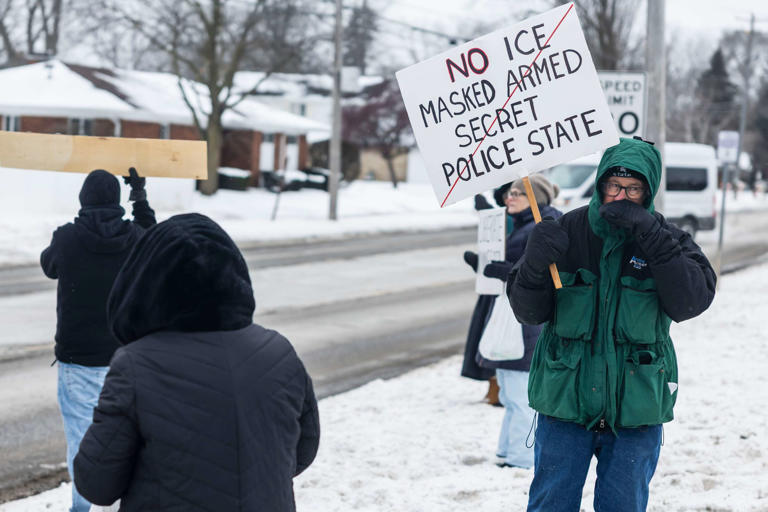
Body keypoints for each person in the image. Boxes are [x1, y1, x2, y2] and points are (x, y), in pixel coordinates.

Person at [509, 137, 716, 511]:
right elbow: (528, 312)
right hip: (564, 405)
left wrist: (652, 238)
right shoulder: (564, 232)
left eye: (634, 189)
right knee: (550, 505)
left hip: (635, 411)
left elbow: (692, 301)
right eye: (614, 186)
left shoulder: (668, 240)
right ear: (601, 183)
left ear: (649, 191)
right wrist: (533, 265)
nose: (622, 196)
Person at [73, 213, 320, 511]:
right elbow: (302, 451)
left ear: (147, 282)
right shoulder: (279, 352)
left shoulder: (136, 366)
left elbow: (95, 483)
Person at [40, 168, 155, 512]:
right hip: (123, 357)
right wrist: (140, 197)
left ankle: (82, 507)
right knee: (125, 439)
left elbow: (49, 266)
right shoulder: (133, 237)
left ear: (83, 200)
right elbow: (152, 235)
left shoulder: (67, 238)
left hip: (77, 361)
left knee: (81, 442)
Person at [476, 175, 561, 469]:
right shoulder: (524, 225)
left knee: (519, 393)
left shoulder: (541, 226)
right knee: (509, 390)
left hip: (527, 323)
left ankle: (522, 458)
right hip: (516, 320)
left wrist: (506, 271)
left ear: (535, 199)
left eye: (516, 193)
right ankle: (507, 451)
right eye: (508, 193)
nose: (508, 198)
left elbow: (540, 273)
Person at [461, 193, 500, 405]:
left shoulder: (522, 221)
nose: (511, 198)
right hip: (491, 291)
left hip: (505, 296)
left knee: (499, 343)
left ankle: (497, 389)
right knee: (488, 341)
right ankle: (493, 387)